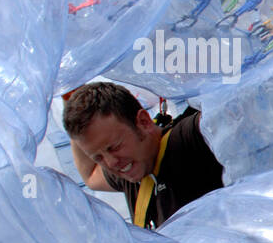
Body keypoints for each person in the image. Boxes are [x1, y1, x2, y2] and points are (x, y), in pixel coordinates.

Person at [63, 82, 225, 229]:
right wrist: (69, 91)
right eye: (98, 157)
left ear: (144, 122)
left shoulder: (189, 138)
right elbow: (91, 175)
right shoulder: (131, 172)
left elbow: (232, 107)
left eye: (114, 147)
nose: (111, 162)